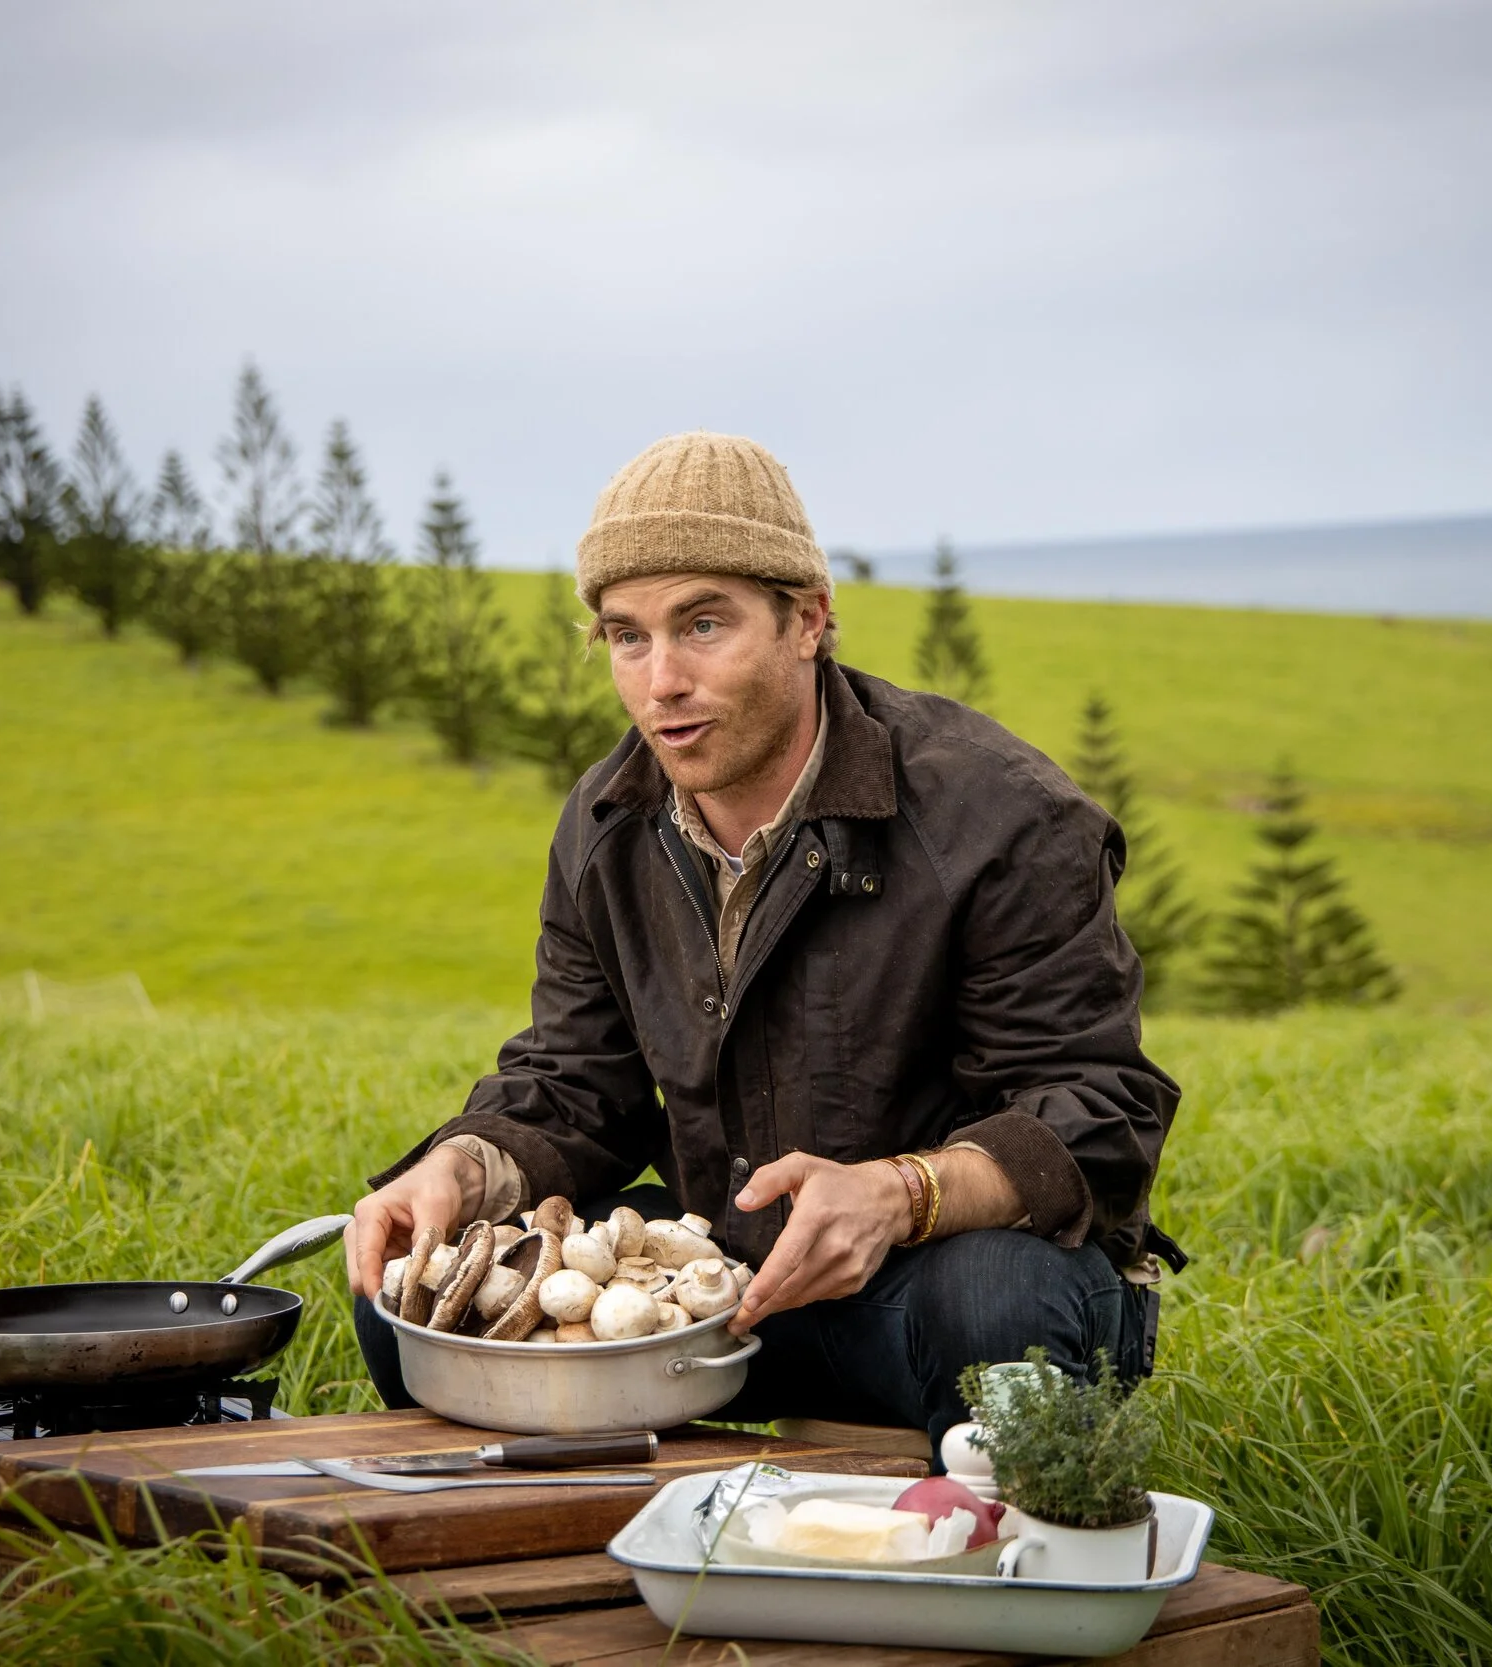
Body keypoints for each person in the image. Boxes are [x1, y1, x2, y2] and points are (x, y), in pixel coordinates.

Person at [346, 431, 1180, 1454]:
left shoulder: (1003, 817)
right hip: (719, 1290)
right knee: (413, 1298)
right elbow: (577, 1084)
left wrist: (899, 1193)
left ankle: (977, 1540)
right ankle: (564, 1557)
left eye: (703, 624)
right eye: (626, 636)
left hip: (933, 1285)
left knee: (996, 1305)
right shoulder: (606, 823)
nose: (662, 682)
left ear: (807, 621)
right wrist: (465, 1170)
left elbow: (1100, 1111)